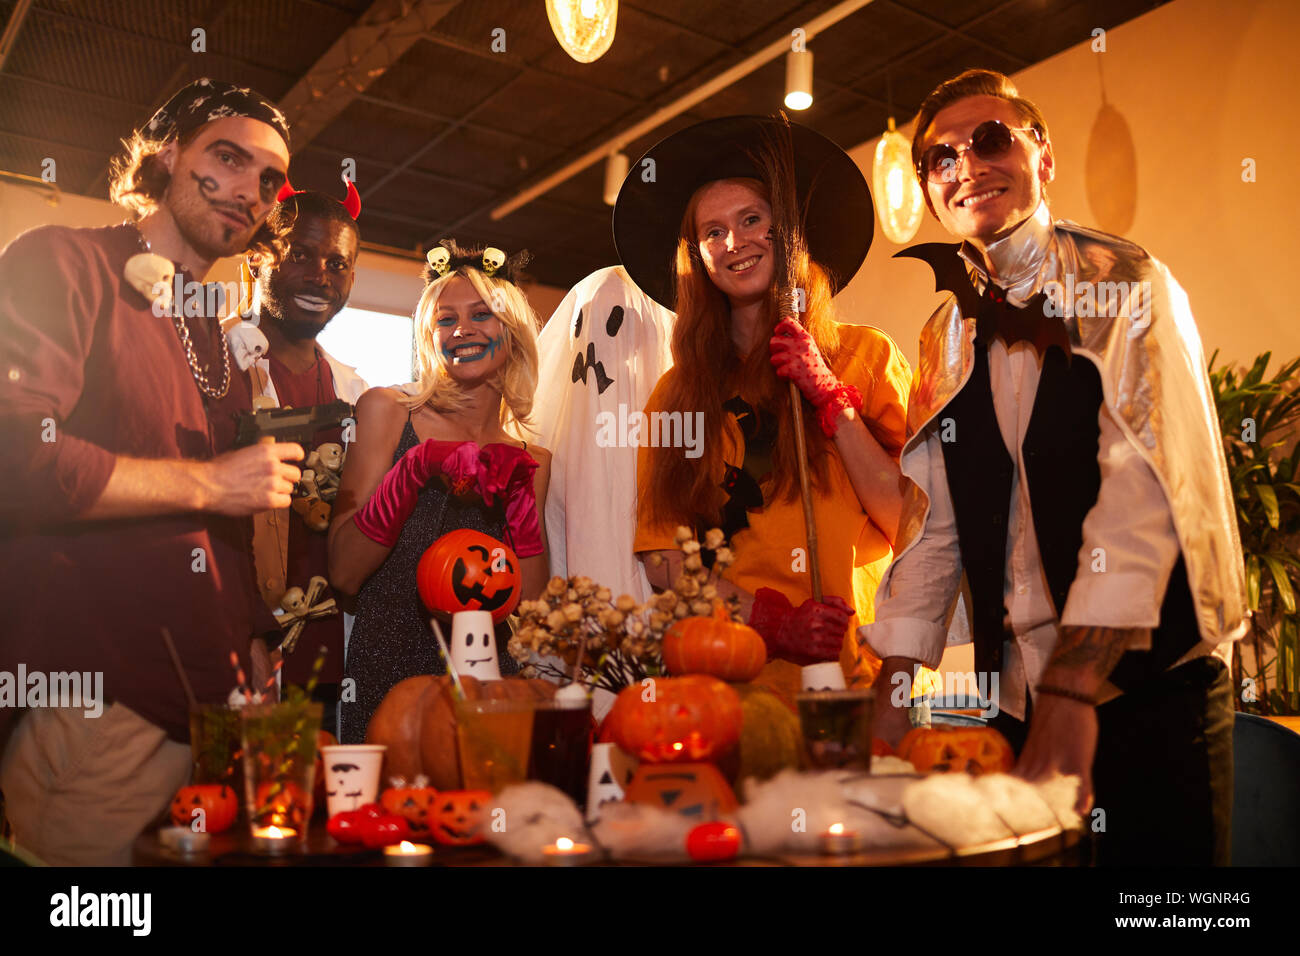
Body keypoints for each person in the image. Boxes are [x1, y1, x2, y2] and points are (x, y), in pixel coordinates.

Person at [863, 69, 1247, 864]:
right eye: (940, 157)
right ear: (931, 191)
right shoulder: (945, 335)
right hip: (1012, 699)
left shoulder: (1127, 283)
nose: (966, 164)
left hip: (1149, 690)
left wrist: (1075, 689)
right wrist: (894, 687)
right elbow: (931, 527)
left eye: (990, 139)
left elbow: (1143, 493)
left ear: (1043, 155)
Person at [0, 79, 298, 865]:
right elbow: (19, 455)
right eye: (227, 158)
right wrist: (211, 484)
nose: (250, 190)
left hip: (202, 716)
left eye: (269, 180)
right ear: (168, 155)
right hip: (94, 704)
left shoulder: (207, 328)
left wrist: (254, 640)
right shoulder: (63, 261)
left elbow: (216, 522)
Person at [618, 115, 920, 690]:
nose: (735, 242)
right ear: (697, 256)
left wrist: (832, 399)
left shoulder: (867, 356)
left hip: (861, 674)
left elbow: (910, 524)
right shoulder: (675, 395)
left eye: (752, 219)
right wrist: (772, 620)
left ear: (787, 233)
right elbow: (663, 560)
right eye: (713, 232)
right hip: (729, 683)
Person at [329, 240, 550, 744]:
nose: (462, 329)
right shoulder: (386, 411)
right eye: (445, 319)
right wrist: (413, 469)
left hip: (492, 679)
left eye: (481, 315)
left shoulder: (533, 460)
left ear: (511, 332)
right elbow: (343, 572)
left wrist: (519, 500)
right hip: (388, 669)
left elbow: (533, 613)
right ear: (430, 337)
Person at [229, 185, 369, 737]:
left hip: (332, 665)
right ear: (257, 257)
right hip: (236, 658)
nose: (320, 276)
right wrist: (240, 632)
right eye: (300, 255)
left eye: (338, 263)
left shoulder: (355, 392)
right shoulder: (217, 371)